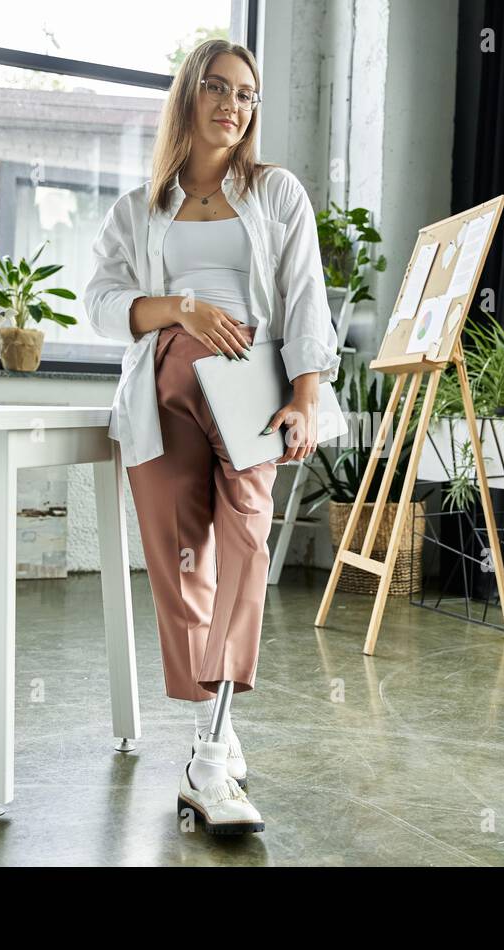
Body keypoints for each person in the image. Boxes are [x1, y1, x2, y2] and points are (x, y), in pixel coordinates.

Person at [85, 38, 340, 835]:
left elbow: (304, 301)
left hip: (250, 388)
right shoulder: (137, 208)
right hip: (165, 389)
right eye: (220, 89)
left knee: (246, 544)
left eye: (249, 95)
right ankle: (213, 736)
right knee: (178, 559)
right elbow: (99, 304)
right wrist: (181, 310)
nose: (235, 106)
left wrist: (303, 398)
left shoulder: (276, 193)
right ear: (190, 95)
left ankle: (209, 756)